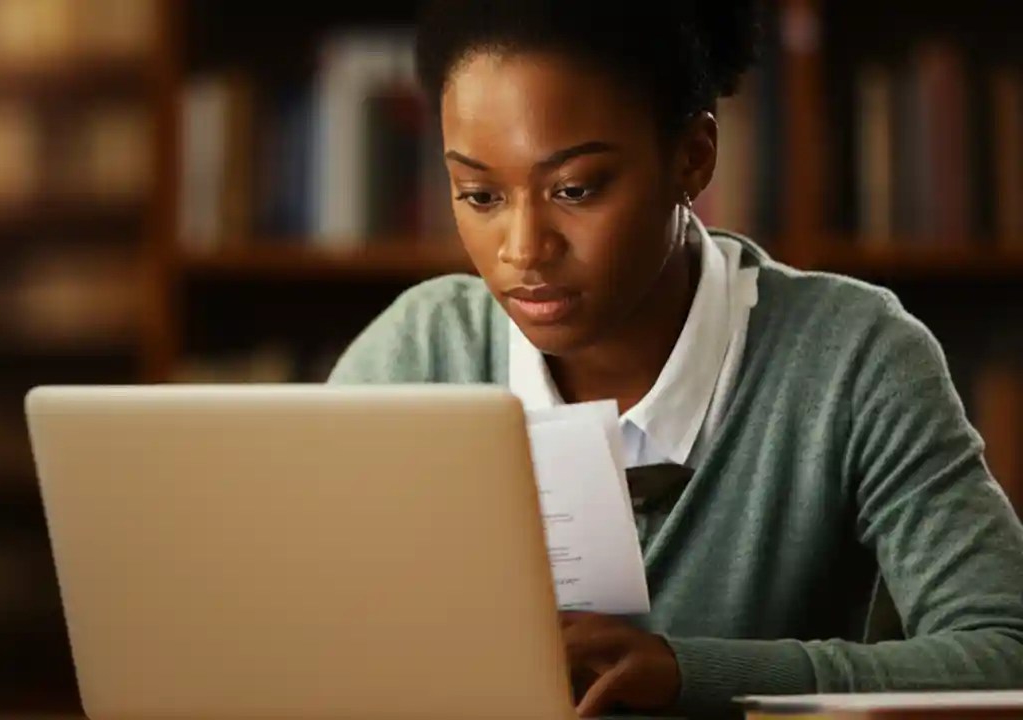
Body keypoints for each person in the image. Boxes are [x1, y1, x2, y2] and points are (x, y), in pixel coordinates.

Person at [325, 0, 1023, 717]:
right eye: (480, 195)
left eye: (575, 189)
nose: (523, 248)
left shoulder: (853, 360)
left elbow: (1005, 651)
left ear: (693, 157)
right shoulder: (421, 352)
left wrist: (690, 671)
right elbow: (302, 631)